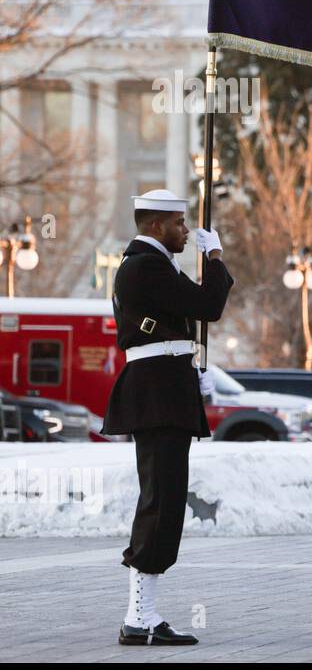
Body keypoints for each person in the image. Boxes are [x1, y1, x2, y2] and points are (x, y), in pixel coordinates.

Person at [105, 189, 235, 646]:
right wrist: (215, 258)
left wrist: (188, 363)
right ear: (156, 225)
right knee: (161, 500)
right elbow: (208, 307)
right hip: (158, 393)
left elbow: (176, 322)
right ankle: (139, 619)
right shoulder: (145, 265)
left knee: (164, 498)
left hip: (166, 386)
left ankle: (142, 616)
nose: (186, 230)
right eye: (180, 223)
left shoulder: (149, 265)